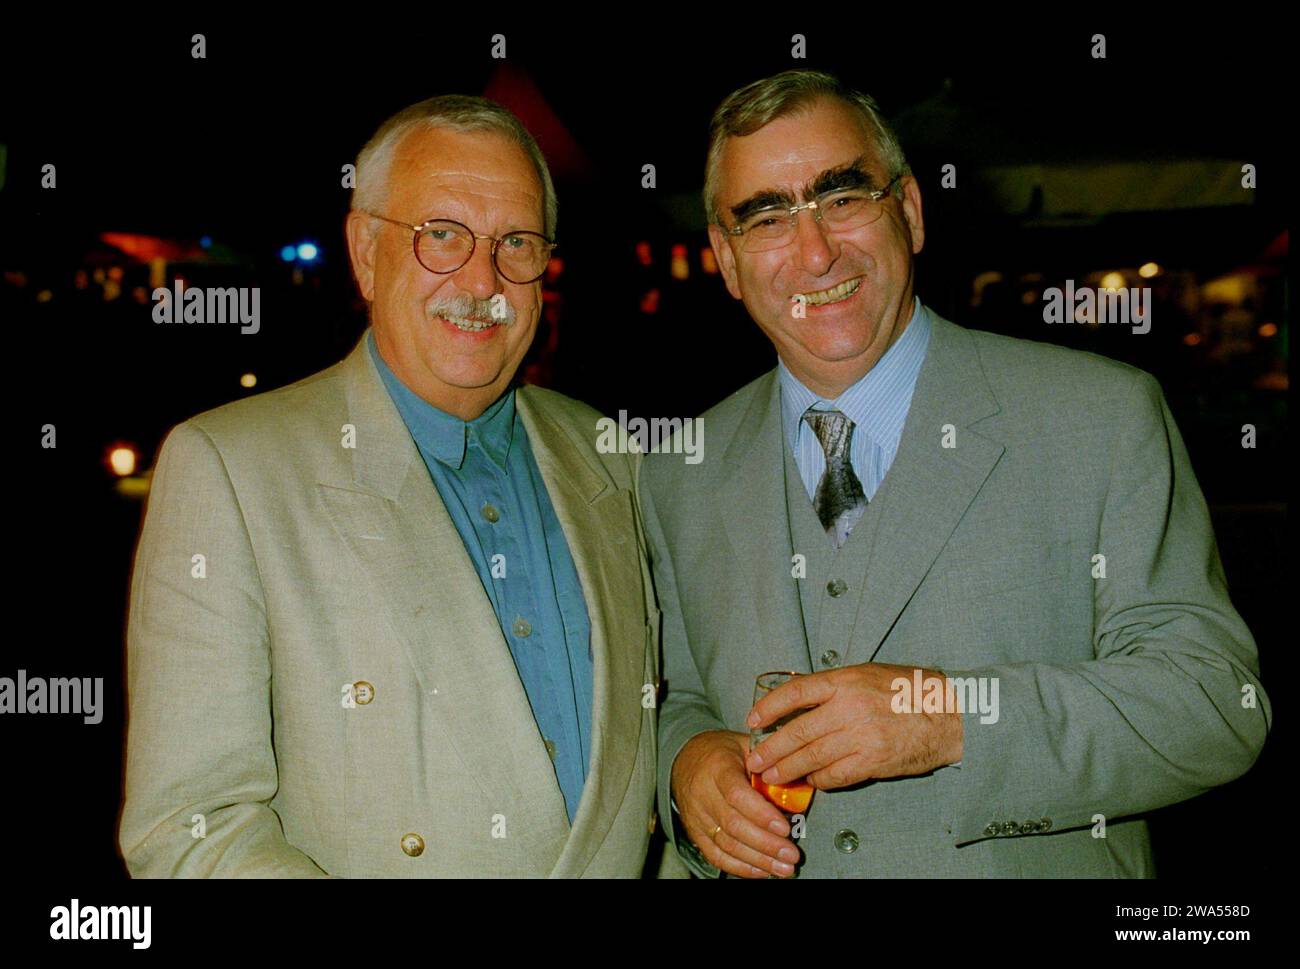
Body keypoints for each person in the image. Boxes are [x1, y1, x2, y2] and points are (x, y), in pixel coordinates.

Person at [641, 70, 1270, 878]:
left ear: (908, 210)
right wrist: (687, 764)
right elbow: (670, 698)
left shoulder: (1102, 416)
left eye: (842, 198)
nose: (815, 250)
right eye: (767, 215)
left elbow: (1217, 704)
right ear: (725, 260)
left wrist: (948, 718)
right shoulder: (675, 471)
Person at [120, 95, 683, 877]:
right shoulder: (233, 470)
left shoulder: (611, 454)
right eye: (441, 236)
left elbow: (648, 776)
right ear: (363, 252)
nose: (482, 279)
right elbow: (190, 826)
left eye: (515, 242)